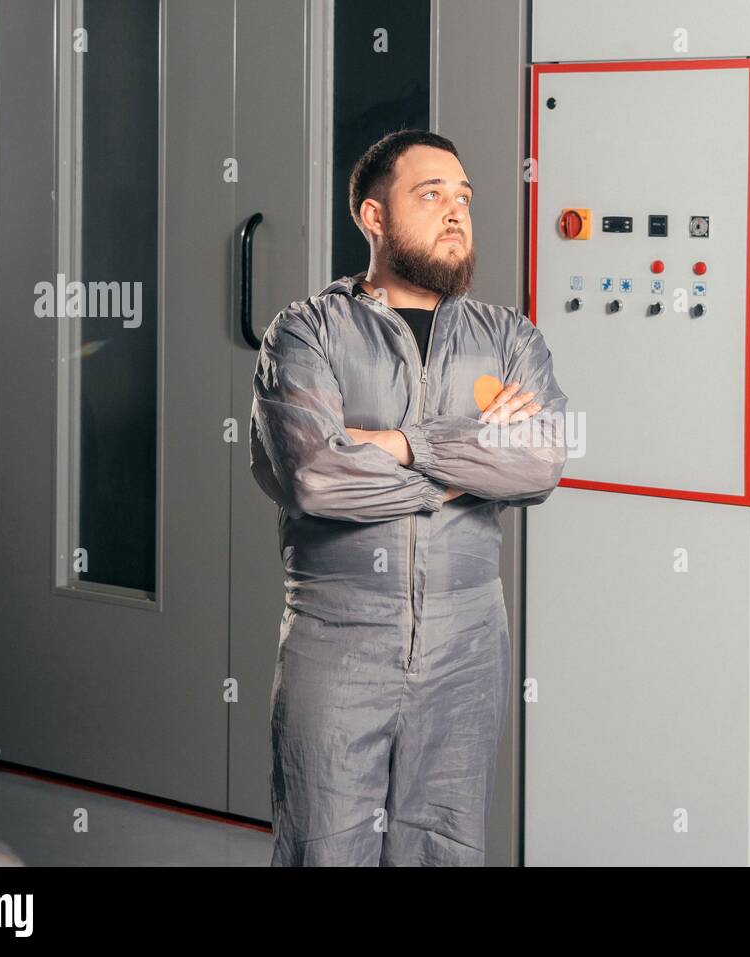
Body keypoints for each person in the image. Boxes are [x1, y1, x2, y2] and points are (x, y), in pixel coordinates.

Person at [249, 129, 568, 866]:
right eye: (431, 195)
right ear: (373, 217)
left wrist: (398, 443)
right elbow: (314, 477)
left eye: (463, 198)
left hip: (468, 643)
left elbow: (541, 462)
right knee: (325, 848)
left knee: (444, 850)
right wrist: (469, 456)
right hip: (338, 635)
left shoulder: (509, 338)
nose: (456, 212)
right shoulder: (306, 333)